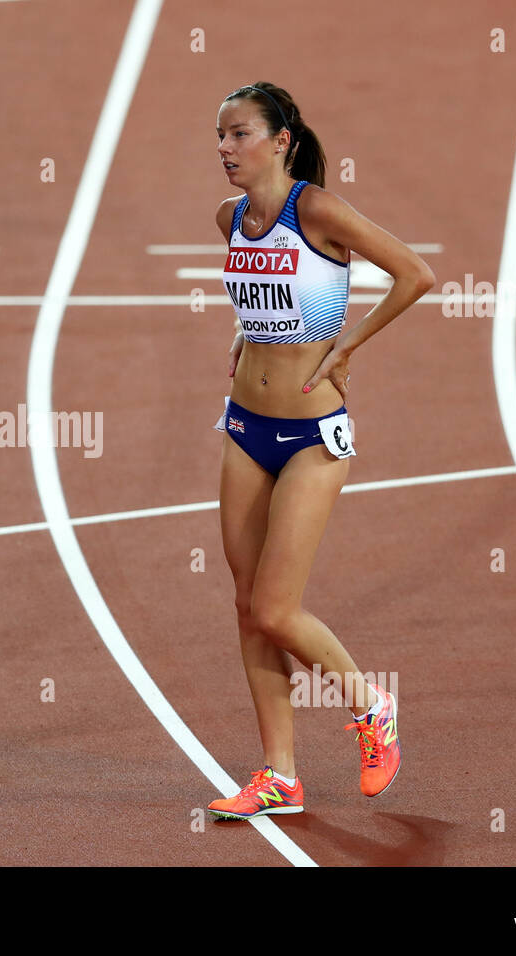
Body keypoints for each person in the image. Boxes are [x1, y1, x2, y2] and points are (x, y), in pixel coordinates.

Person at [205, 82, 435, 819]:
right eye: (220, 137)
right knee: (246, 605)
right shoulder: (229, 219)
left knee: (276, 608)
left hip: (311, 434)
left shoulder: (320, 211)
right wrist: (247, 334)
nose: (225, 149)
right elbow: (264, 298)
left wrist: (350, 347)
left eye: (239, 134)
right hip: (245, 425)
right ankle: (280, 776)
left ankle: (371, 708)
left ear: (281, 140)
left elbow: (416, 274)